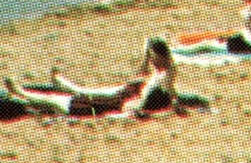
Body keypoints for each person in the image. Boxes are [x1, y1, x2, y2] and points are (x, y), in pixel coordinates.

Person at [6, 38, 176, 118]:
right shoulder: (162, 71)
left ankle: (21, 93)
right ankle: (57, 87)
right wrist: (148, 56)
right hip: (122, 97)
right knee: (77, 94)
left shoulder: (162, 78)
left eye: (153, 57)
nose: (151, 61)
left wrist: (128, 109)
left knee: (54, 99)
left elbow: (139, 106)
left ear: (162, 57)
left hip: (113, 103)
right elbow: (148, 44)